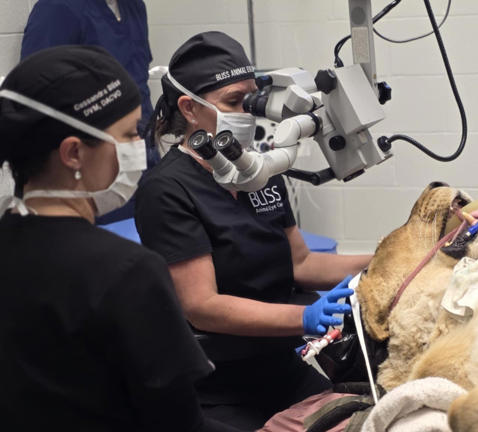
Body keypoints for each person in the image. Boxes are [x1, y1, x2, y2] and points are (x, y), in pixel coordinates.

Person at [135, 31, 372, 429]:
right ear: (189, 108)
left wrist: (387, 258)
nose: (246, 113)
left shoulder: (259, 171)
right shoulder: (167, 190)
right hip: (215, 385)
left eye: (251, 100)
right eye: (233, 102)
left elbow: (301, 263)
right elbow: (202, 306)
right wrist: (305, 316)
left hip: (282, 367)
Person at [0, 45, 240, 432]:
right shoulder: (125, 272)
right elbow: (178, 423)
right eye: (128, 135)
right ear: (73, 153)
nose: (137, 149)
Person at [21, 0, 157, 223]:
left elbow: (137, 82)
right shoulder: (58, 8)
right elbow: (37, 95)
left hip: (138, 153)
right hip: (89, 165)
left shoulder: (134, 7)